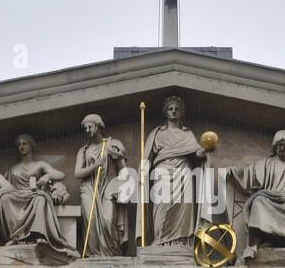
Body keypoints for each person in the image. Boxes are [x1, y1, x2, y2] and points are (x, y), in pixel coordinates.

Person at [233, 130, 285, 254]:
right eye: (279, 145)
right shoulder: (266, 163)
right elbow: (248, 174)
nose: (282, 148)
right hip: (270, 198)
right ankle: (253, 246)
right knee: (258, 201)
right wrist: (235, 171)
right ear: (274, 147)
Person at [143, 95, 207, 246]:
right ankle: (159, 241)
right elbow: (147, 158)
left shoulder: (187, 134)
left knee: (183, 209)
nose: (173, 111)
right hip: (162, 172)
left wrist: (205, 150)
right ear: (165, 112)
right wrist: (142, 173)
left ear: (181, 113)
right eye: (170, 109)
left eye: (177, 109)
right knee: (162, 206)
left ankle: (181, 242)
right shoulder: (157, 134)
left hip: (183, 172)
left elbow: (196, 153)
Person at [0, 134, 76, 254]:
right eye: (19, 144)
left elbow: (60, 175)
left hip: (34, 194)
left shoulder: (40, 164)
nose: (21, 147)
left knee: (40, 199)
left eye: (24, 144)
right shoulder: (13, 169)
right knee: (4, 199)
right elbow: (6, 186)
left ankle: (39, 235)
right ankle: (15, 236)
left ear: (31, 145)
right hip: (17, 195)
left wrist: (47, 175)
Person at [75, 115, 128, 257]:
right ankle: (94, 254)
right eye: (85, 128)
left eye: (89, 127)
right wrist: (94, 166)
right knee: (90, 220)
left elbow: (123, 170)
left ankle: (109, 254)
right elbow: (77, 173)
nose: (87, 130)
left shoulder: (112, 144)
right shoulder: (84, 150)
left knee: (108, 220)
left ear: (98, 127)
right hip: (89, 188)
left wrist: (121, 186)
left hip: (109, 187)